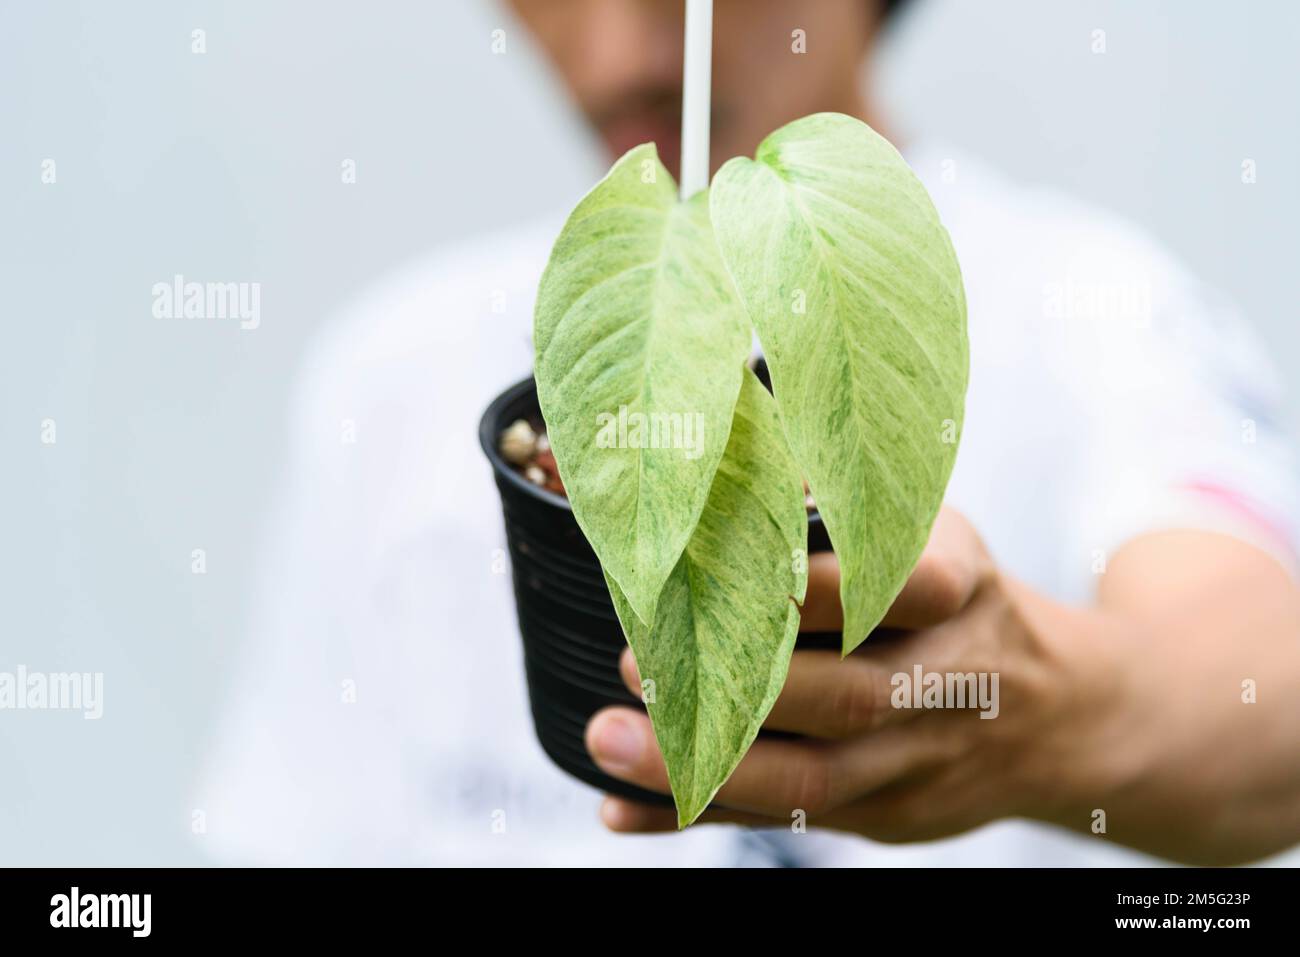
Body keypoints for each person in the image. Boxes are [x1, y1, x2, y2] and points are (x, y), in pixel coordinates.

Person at [198, 0, 1300, 866]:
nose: (618, 47)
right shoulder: (389, 376)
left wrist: (1053, 713)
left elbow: (1262, 695)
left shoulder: (1095, 314)